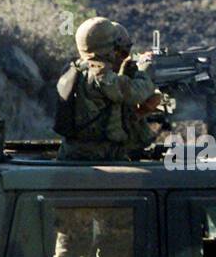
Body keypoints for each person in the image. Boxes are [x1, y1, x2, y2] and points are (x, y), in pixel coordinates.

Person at [55, 17, 161, 161]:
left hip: (75, 150)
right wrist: (144, 70)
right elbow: (134, 93)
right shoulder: (100, 75)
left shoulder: (76, 68)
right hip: (97, 155)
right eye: (116, 49)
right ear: (107, 48)